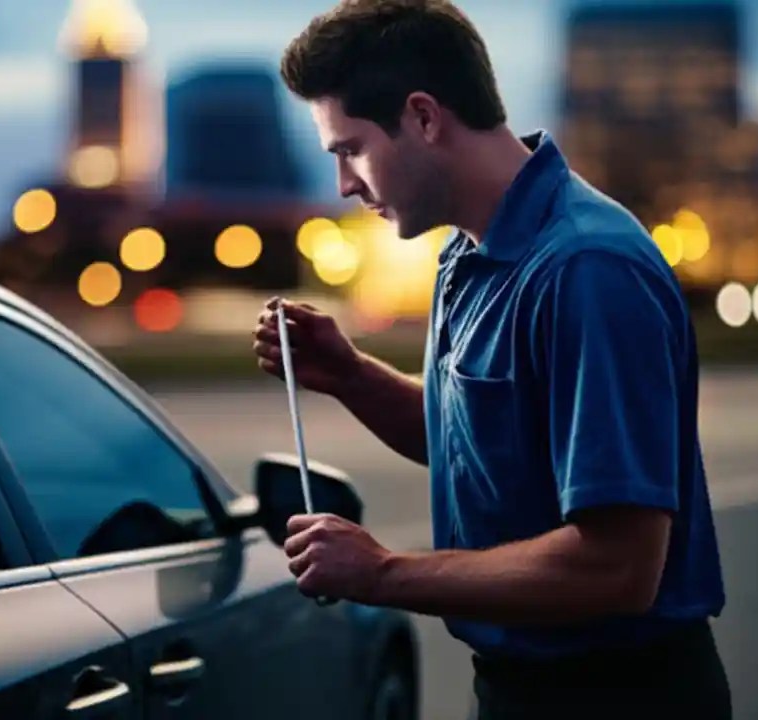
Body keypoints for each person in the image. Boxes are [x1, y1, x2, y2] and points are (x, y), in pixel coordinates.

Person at [251, 1, 731, 717]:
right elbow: (476, 444)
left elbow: (620, 566)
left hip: (620, 695)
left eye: (349, 150)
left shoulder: (586, 269)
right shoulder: (465, 253)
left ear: (423, 117)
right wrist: (350, 376)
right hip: (516, 687)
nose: (344, 184)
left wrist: (383, 574)